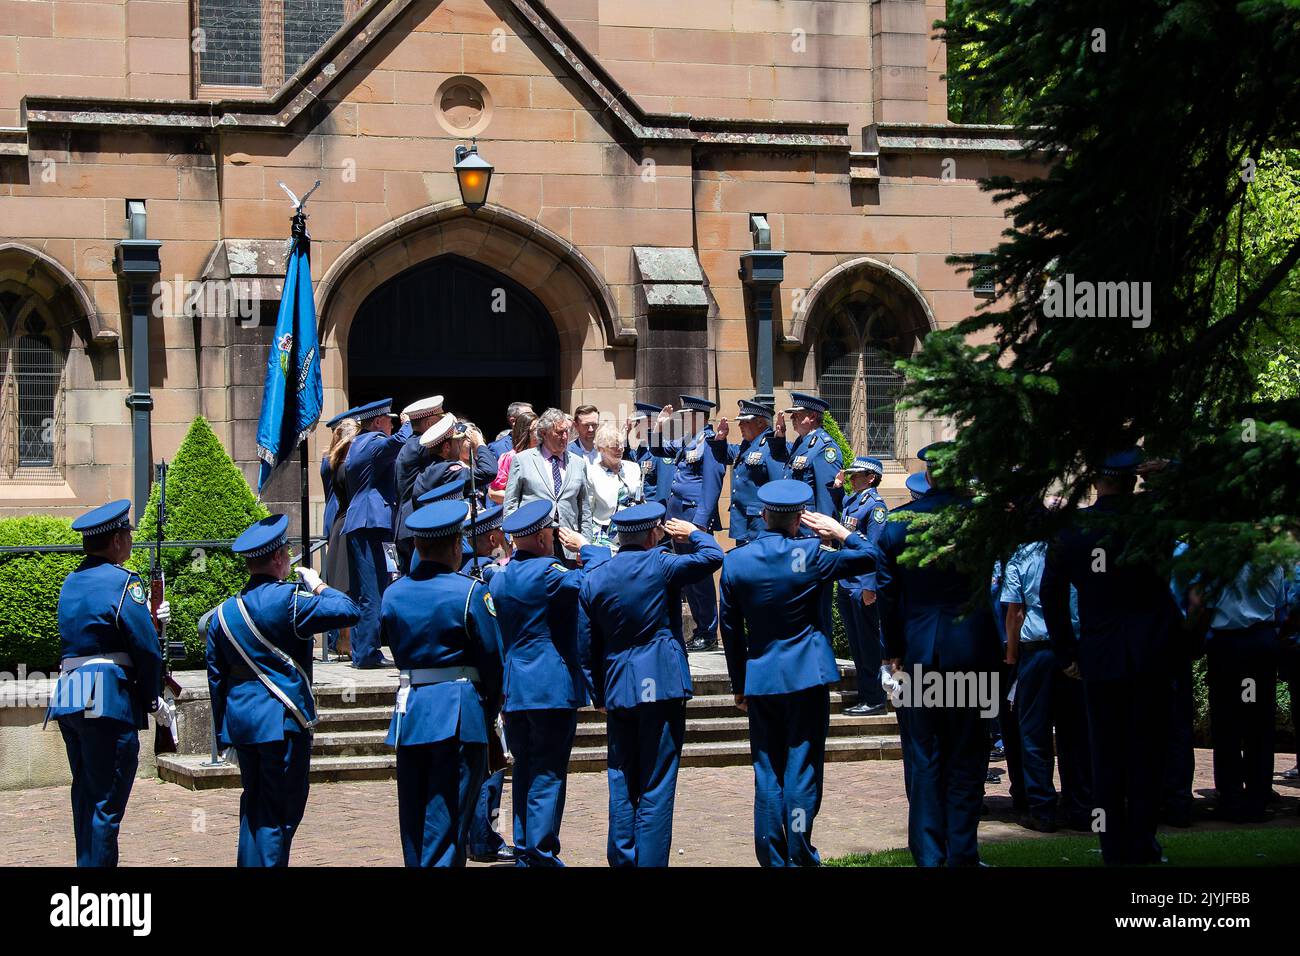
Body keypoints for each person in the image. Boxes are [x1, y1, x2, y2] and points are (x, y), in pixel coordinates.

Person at [719, 480, 877, 866]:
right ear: (800, 520)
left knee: (768, 770)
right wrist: (841, 532)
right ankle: (799, 851)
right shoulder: (811, 554)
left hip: (762, 677)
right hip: (806, 676)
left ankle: (773, 856)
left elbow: (729, 630)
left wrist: (740, 684)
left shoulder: (737, 561)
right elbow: (872, 556)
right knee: (801, 769)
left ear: (763, 514)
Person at [1040, 448, 1185, 865]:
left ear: (1095, 481)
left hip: (1100, 655)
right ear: (1133, 478)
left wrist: (1066, 650)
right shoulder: (1153, 519)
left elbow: (1050, 595)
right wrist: (1167, 470)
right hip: (1150, 651)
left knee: (1105, 757)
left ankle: (1112, 846)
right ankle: (1141, 842)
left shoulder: (1074, 530)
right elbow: (1200, 495)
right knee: (1147, 754)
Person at [206, 514, 361, 866]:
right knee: (280, 815)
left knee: (254, 809)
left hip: (243, 725)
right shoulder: (291, 601)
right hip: (282, 723)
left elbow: (217, 679)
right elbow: (349, 610)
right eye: (287, 555)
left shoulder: (223, 613)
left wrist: (223, 735)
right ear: (278, 558)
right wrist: (319, 585)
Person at [875, 443, 1002, 867]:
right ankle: (962, 851)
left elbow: (888, 598)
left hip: (918, 655)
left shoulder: (897, 523)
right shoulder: (982, 520)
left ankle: (930, 855)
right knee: (967, 757)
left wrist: (892, 651)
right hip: (971, 652)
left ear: (927, 477)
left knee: (924, 758)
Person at [579, 503, 724, 866]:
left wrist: (597, 692)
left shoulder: (596, 575)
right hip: (660, 683)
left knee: (622, 777)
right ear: (650, 535)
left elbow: (585, 643)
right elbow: (713, 555)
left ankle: (623, 857)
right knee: (657, 783)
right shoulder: (660, 563)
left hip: (618, 687)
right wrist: (691, 532)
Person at [380, 500, 504, 867]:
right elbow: (493, 662)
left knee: (415, 821)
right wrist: (489, 710)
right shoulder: (469, 592)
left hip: (412, 712)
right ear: (455, 547)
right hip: (459, 715)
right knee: (447, 826)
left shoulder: (394, 594)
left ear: (417, 547)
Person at [46, 499, 166, 867]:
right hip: (107, 697)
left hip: (72, 693)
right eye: (127, 534)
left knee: (85, 799)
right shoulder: (124, 582)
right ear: (116, 541)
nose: (130, 540)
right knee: (105, 807)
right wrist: (152, 699)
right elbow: (144, 650)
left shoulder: (70, 582)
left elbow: (93, 635)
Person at [488, 500, 604, 866]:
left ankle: (525, 846)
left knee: (523, 768)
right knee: (549, 771)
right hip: (550, 686)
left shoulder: (500, 575)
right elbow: (596, 582)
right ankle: (540, 852)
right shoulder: (550, 572)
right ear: (542, 536)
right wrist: (586, 547)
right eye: (552, 533)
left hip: (515, 687)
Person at [1001, 538, 1089, 832]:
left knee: (1034, 733)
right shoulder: (1077, 550)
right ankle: (1081, 808)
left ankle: (1042, 809)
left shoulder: (1023, 554)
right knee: (1075, 732)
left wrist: (1011, 654)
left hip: (1036, 652)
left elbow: (1015, 612)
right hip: (1073, 649)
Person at [1201, 562, 1286, 822]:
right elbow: (1281, 604)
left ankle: (1231, 798)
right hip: (1261, 642)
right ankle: (1257, 798)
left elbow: (1204, 604)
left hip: (1228, 645)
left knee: (1226, 726)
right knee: (1259, 725)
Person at [457, 504, 516, 864]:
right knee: (492, 770)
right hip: (484, 686)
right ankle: (483, 838)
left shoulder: (464, 573)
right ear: (494, 537)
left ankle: (473, 834)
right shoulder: (492, 578)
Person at [650, 396, 728, 652]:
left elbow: (713, 483)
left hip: (693, 519)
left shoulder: (710, 442)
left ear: (699, 417)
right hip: (678, 517)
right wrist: (658, 428)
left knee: (700, 578)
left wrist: (701, 523)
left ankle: (708, 630)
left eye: (687, 416)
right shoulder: (688, 440)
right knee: (687, 578)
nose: (682, 420)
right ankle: (700, 629)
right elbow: (658, 450)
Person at [341, 398, 412, 668]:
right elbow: (396, 443)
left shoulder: (357, 443)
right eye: (390, 421)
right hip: (372, 522)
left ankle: (364, 651)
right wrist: (407, 425)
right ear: (378, 421)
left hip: (362, 521)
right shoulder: (372, 442)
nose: (392, 425)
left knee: (363, 592)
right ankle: (368, 653)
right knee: (373, 591)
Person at [831, 456, 890, 717]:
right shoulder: (853, 500)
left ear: (871, 478)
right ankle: (865, 694)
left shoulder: (875, 506)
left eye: (857, 475)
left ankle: (875, 698)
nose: (852, 478)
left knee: (867, 644)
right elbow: (838, 518)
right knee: (856, 644)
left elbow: (874, 550)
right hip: (847, 582)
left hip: (861, 585)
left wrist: (870, 587)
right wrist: (836, 487)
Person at [502, 407, 594, 561]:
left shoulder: (578, 463)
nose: (565, 437)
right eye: (559, 432)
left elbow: (584, 509)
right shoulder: (522, 460)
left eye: (567, 432)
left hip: (568, 546)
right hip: (533, 544)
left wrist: (585, 545)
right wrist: (514, 538)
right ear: (543, 433)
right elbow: (510, 503)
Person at [719, 399, 787, 546]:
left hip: (760, 523)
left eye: (745, 422)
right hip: (744, 522)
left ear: (761, 423)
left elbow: (778, 484)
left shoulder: (772, 444)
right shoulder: (747, 445)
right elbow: (725, 455)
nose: (739, 426)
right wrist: (720, 438)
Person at [392, 396, 445, 575]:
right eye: (440, 420)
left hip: (405, 526)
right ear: (429, 422)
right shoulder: (423, 446)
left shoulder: (409, 444)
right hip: (418, 526)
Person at [413, 416, 497, 511]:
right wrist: (480, 443)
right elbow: (489, 471)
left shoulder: (430, 468)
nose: (459, 445)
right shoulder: (446, 471)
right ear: (447, 447)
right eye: (457, 442)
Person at [780, 392, 843, 518]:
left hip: (808, 525)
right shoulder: (801, 441)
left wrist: (823, 530)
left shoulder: (825, 447)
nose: (792, 418)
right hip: (795, 519)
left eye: (797, 414)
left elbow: (826, 496)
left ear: (813, 416)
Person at [586, 422, 643, 548]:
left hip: (634, 529)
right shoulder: (591, 473)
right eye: (614, 447)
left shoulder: (633, 468)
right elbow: (587, 513)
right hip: (604, 533)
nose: (620, 449)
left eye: (621, 445)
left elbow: (640, 497)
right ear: (601, 449)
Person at [624, 402, 672, 506]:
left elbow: (664, 486)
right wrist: (625, 436)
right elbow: (626, 460)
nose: (635, 426)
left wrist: (659, 512)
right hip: (640, 505)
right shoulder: (642, 447)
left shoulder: (663, 449)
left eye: (639, 423)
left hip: (653, 508)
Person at [489, 409, 538, 505]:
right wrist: (524, 499)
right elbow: (493, 493)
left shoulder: (546, 456)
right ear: (525, 432)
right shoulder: (510, 457)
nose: (540, 433)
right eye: (535, 430)